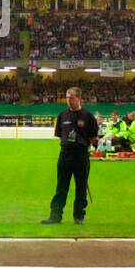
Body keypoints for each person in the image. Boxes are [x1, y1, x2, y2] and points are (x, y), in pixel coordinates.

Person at [42, 87, 99, 225]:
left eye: (71, 97)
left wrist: (83, 146)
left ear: (79, 98)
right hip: (65, 155)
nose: (68, 100)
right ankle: (55, 216)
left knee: (81, 188)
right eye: (67, 97)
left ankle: (79, 216)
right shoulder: (62, 115)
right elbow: (61, 135)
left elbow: (93, 138)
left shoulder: (88, 116)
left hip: (81, 155)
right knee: (61, 187)